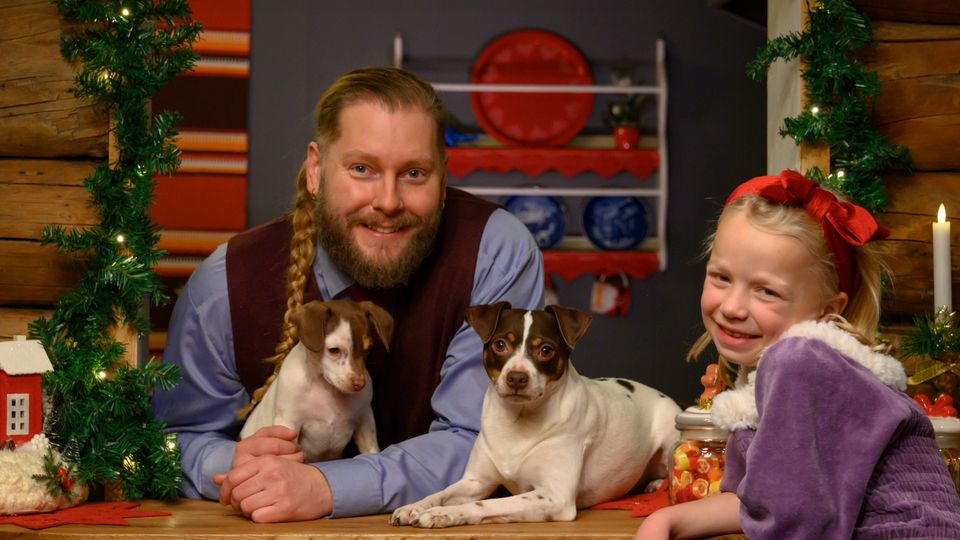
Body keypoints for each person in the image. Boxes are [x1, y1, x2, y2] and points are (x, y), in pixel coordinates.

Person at [150, 66, 544, 522]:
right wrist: (235, 466)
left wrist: (327, 486)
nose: (388, 201)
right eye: (362, 169)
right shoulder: (223, 283)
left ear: (442, 181)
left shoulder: (495, 252)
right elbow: (171, 440)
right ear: (316, 170)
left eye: (414, 173)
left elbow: (484, 438)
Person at [635, 170, 960, 539]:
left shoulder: (801, 363)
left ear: (828, 310)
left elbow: (798, 522)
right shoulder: (769, 378)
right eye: (721, 277)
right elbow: (755, 502)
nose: (732, 306)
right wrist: (665, 520)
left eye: (767, 291)